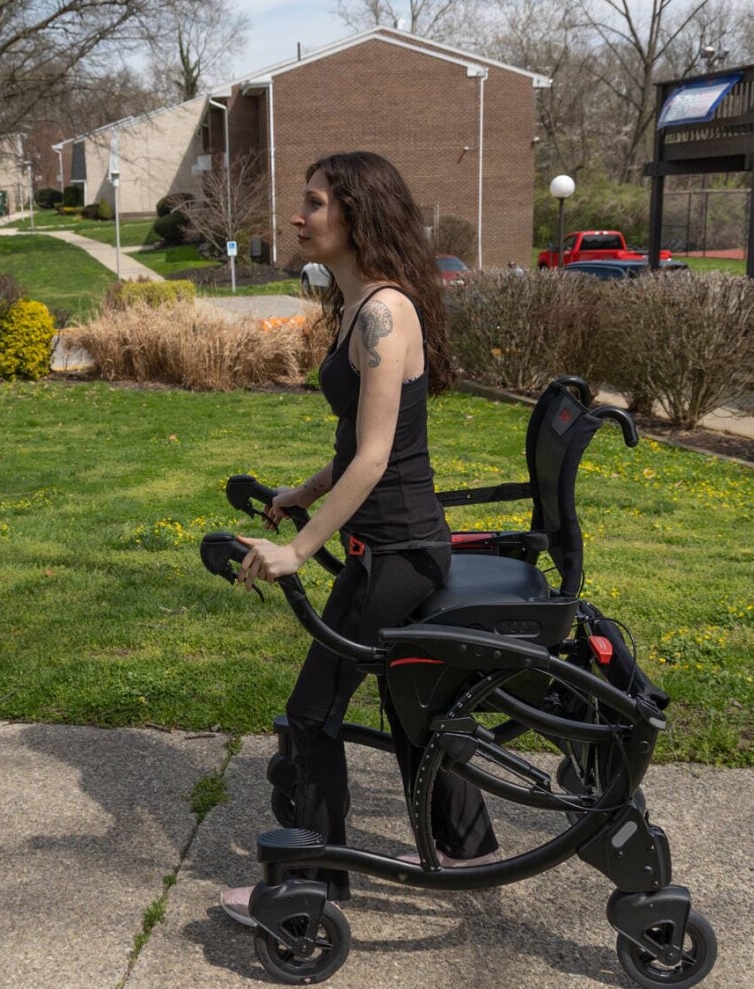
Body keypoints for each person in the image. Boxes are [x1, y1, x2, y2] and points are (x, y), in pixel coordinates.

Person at [220, 151, 499, 927]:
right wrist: (298, 494)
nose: (298, 217)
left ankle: (309, 889)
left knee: (312, 714)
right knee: (414, 708)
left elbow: (376, 460)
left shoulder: (383, 312)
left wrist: (299, 547)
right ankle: (468, 845)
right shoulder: (367, 306)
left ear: (356, 213)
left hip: (398, 553)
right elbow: (362, 441)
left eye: (312, 203)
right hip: (398, 545)